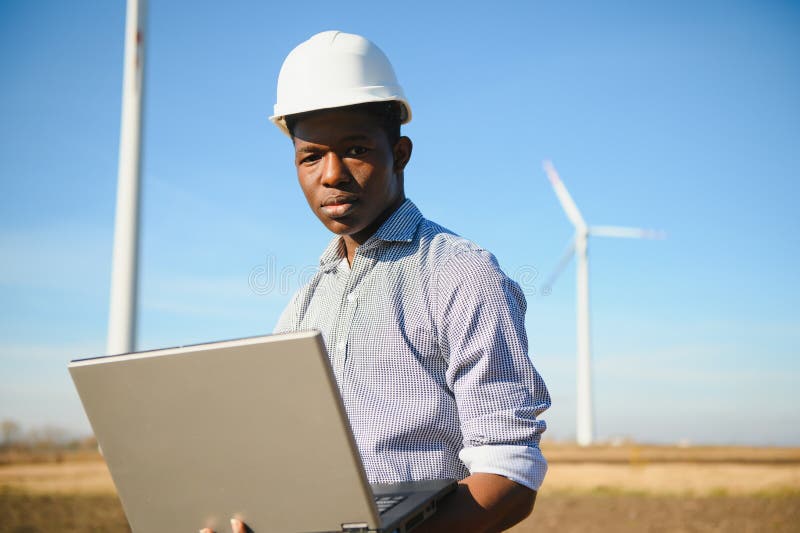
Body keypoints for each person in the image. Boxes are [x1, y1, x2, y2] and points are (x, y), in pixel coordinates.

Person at [204, 30, 550, 533]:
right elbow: (281, 461)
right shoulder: (303, 306)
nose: (332, 174)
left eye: (356, 149)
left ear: (401, 152)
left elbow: (510, 476)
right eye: (310, 157)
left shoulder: (461, 275)